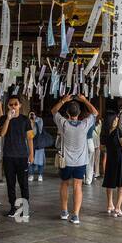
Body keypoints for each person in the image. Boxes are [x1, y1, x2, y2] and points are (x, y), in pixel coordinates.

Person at [51, 92, 98, 223]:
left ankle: (64, 211)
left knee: (64, 184)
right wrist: (84, 100)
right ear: (79, 113)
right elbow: (95, 113)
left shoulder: (64, 124)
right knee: (78, 186)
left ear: (67, 113)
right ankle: (76, 215)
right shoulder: (84, 124)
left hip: (66, 161)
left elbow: (53, 111)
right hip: (81, 162)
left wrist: (63, 100)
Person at [0, 95, 34, 218]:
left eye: (15, 104)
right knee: (10, 183)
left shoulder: (25, 120)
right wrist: (8, 118)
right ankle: (12, 208)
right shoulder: (3, 118)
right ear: (8, 106)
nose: (13, 106)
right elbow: (2, 134)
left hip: (22, 156)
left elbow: (30, 138)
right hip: (8, 156)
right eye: (11, 104)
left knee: (24, 184)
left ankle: (26, 208)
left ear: (20, 105)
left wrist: (31, 154)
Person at [100, 111, 122, 216]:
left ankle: (109, 205)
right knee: (121, 185)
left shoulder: (105, 133)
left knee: (110, 183)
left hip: (110, 160)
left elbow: (103, 147)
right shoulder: (117, 131)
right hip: (120, 159)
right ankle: (117, 208)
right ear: (112, 121)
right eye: (116, 119)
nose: (117, 120)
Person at [28, 109, 46, 182]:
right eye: (30, 114)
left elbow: (40, 130)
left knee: (40, 160)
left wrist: (35, 120)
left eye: (33, 114)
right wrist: (30, 121)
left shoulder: (39, 120)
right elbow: (28, 131)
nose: (32, 116)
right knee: (30, 159)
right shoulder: (27, 121)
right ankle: (31, 174)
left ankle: (40, 175)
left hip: (38, 142)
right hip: (30, 141)